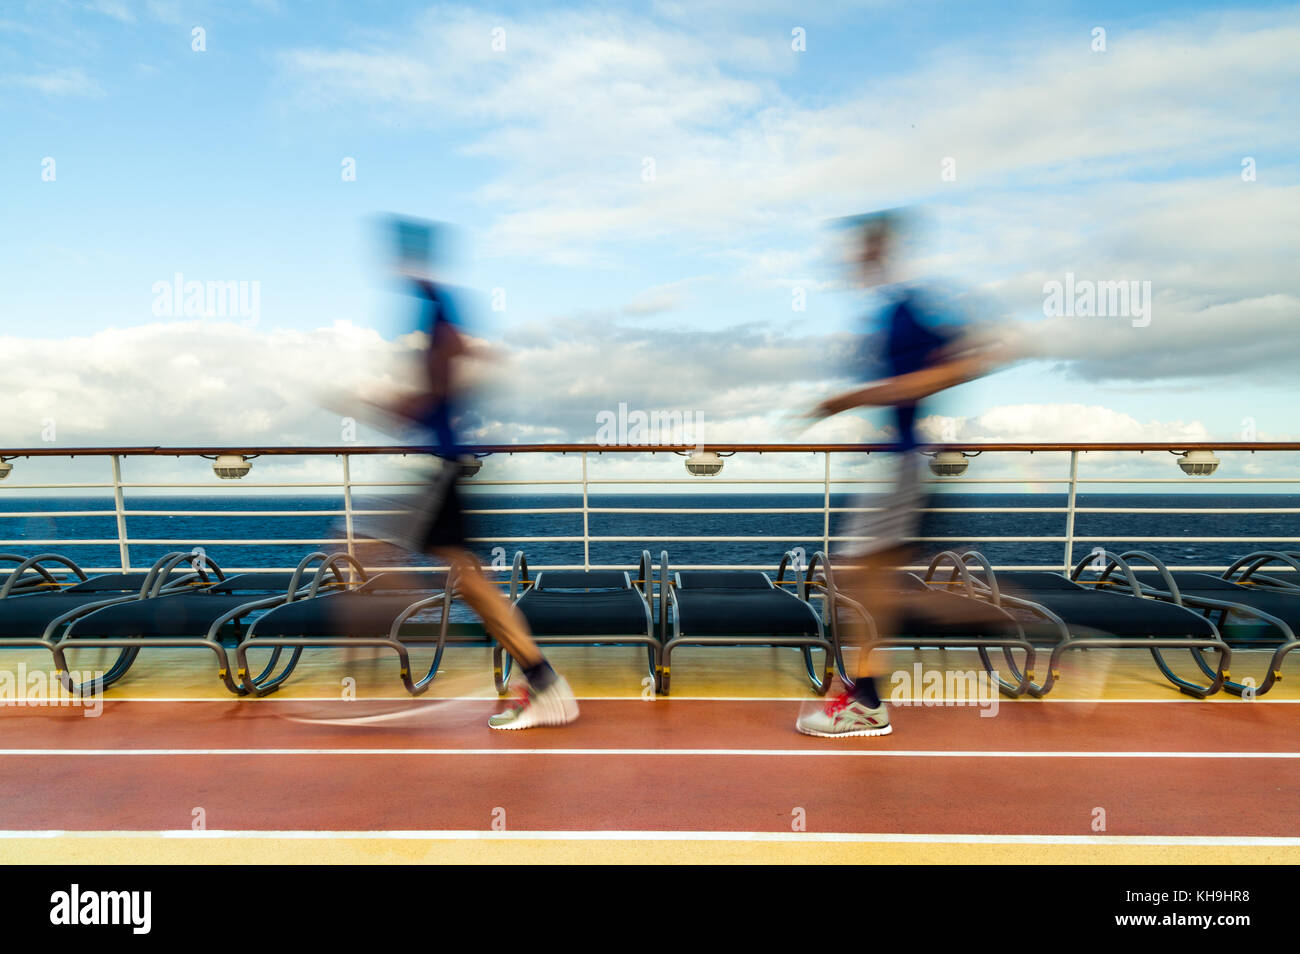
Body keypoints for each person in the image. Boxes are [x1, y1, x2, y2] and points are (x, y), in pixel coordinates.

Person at [796, 210, 1004, 738]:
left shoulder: (910, 307)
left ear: (880, 249)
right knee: (868, 583)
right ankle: (865, 693)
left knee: (857, 582)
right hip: (899, 463)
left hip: (904, 466)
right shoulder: (891, 310)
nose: (853, 259)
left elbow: (981, 355)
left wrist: (854, 398)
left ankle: (868, 697)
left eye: (861, 249)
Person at [381, 217, 578, 730]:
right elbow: (456, 370)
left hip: (446, 467)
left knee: (436, 570)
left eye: (402, 257)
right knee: (469, 580)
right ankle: (539, 680)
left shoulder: (437, 316)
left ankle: (541, 681)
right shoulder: (438, 312)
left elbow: (438, 390)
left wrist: (401, 405)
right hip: (451, 466)